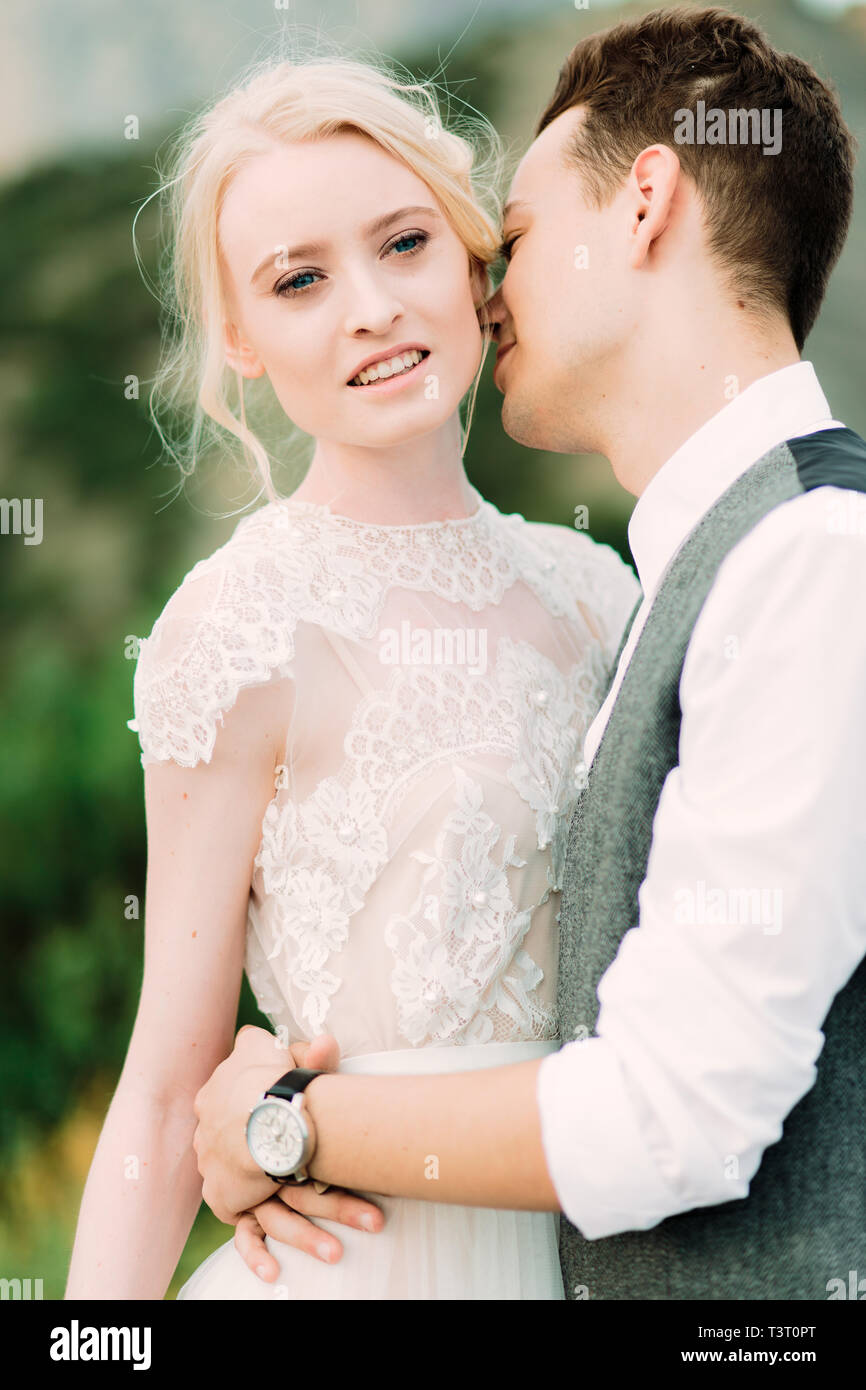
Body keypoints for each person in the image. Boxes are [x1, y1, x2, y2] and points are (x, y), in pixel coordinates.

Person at [191, 6, 866, 1301]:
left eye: (517, 237)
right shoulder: (677, 577)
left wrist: (284, 1120)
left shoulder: (809, 560)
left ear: (645, 205)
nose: (484, 288)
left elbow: (671, 1109)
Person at [63, 47, 640, 1300]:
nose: (369, 308)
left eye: (402, 245)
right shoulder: (241, 627)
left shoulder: (599, 593)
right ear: (245, 340)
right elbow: (169, 1092)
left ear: (472, 258)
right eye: (301, 280)